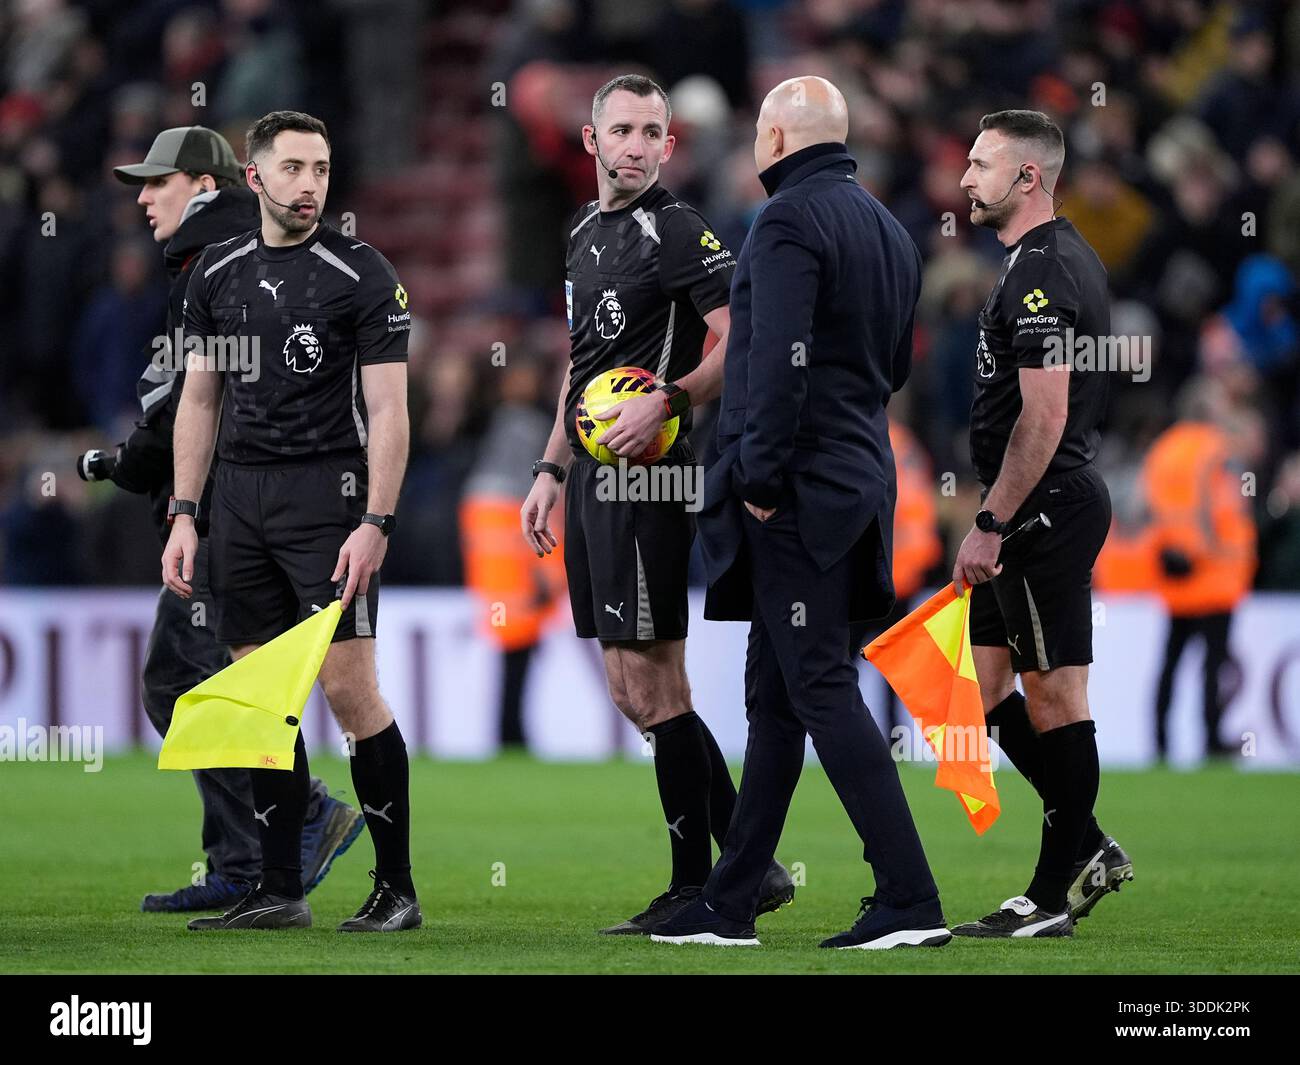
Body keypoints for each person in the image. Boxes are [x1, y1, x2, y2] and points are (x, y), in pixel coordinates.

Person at [652, 76, 949, 950]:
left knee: (815, 685)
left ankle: (907, 894)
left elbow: (771, 361)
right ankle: (731, 897)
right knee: (776, 696)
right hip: (862, 478)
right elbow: (894, 365)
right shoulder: (891, 229)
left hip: (795, 490)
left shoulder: (783, 223)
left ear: (776, 139)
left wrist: (759, 475)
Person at [519, 74, 794, 935]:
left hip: (652, 478)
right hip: (596, 477)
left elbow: (733, 339)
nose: (637, 145)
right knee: (628, 686)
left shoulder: (674, 229)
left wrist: (669, 401)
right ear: (592, 141)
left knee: (654, 679)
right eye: (623, 129)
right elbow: (582, 361)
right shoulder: (581, 234)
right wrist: (549, 467)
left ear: (668, 147)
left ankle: (698, 882)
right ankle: (753, 863)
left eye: (652, 132)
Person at [82, 125, 360, 912]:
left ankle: (289, 827)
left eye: (156, 182)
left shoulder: (215, 263)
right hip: (260, 503)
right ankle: (246, 859)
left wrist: (135, 471)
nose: (141, 198)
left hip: (234, 510)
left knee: (186, 680)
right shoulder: (228, 255)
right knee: (211, 681)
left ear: (203, 185)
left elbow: (184, 408)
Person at [162, 111, 418, 932]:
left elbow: (389, 410)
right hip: (237, 501)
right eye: (295, 168)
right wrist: (184, 514)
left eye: (322, 168)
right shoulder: (216, 275)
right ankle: (279, 889)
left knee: (349, 691)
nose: (310, 184)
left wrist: (376, 518)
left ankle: (397, 888)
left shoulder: (362, 273)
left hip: (328, 500)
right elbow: (197, 400)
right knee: (259, 701)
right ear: (255, 176)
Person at [951, 110, 1133, 938]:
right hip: (1031, 499)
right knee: (987, 690)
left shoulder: (1043, 271)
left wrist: (991, 518)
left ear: (1029, 176)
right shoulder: (1040, 260)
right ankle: (1088, 841)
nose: (965, 179)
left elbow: (1043, 416)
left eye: (982, 164)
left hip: (1042, 505)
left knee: (1055, 695)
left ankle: (1050, 894)